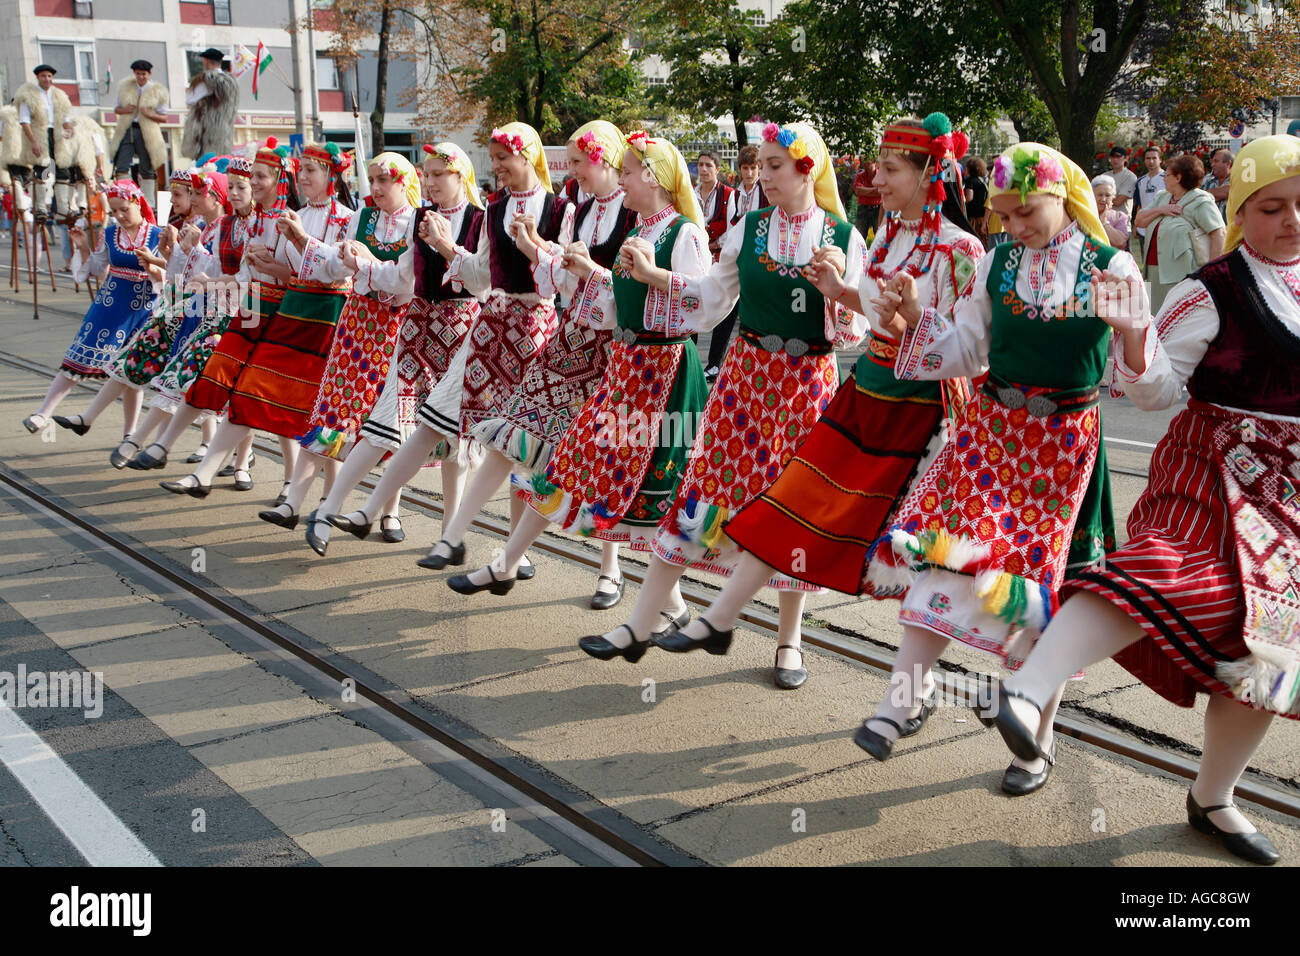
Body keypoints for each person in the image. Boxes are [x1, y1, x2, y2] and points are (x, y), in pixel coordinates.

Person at [988, 134, 1300, 864]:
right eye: (1272, 207)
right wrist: (1132, 331)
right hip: (1215, 466)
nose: (1291, 221)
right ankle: (1028, 692)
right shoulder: (1214, 287)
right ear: (1239, 210)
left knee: (1267, 646)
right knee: (1167, 570)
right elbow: (1155, 391)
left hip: (1291, 492)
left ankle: (1213, 798)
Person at [860, 143, 1142, 796]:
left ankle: (1033, 745)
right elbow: (964, 349)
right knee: (946, 558)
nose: (1015, 227)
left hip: (1064, 449)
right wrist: (908, 322)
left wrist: (1129, 334)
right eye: (1005, 216)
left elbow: (1144, 385)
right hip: (990, 437)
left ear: (1063, 199)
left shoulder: (1111, 264)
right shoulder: (996, 264)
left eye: (1026, 213)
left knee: (1043, 595)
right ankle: (899, 702)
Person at [667, 114, 983, 690]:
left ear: (927, 171)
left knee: (931, 555)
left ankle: (937, 692)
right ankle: (720, 618)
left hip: (929, 410)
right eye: (878, 168)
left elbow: (971, 350)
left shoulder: (961, 249)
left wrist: (908, 317)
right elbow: (869, 314)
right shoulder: (889, 234)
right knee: (798, 501)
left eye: (888, 170)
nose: (875, 180)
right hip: (869, 395)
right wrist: (839, 292)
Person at [576, 122, 867, 664]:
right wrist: (656, 276)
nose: (765, 174)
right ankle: (639, 627)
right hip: (744, 382)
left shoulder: (843, 239)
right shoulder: (748, 228)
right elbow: (711, 300)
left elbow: (852, 333)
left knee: (792, 507)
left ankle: (789, 641)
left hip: (807, 388)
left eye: (776, 165)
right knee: (702, 490)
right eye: (766, 165)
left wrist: (840, 292)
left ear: (807, 170)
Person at [334, 122, 570, 573]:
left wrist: (536, 247)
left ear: (527, 156)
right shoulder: (495, 208)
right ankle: (373, 510)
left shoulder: (561, 208)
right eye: (494, 158)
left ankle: (509, 555)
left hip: (535, 331)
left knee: (517, 444)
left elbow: (560, 282)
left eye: (503, 157)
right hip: (491, 326)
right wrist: (444, 244)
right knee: (430, 419)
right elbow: (481, 276)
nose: (497, 166)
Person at [446, 120, 636, 607]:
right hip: (570, 342)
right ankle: (464, 540)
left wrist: (558, 259)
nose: (569, 172)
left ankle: (611, 572)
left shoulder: (634, 215)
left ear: (605, 160)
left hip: (617, 353)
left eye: (576, 162)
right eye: (569, 162)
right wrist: (537, 250)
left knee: (604, 458)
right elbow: (558, 284)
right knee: (514, 433)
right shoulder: (583, 210)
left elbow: (631, 291)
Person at [158, 140, 357, 502]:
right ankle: (204, 473)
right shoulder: (294, 214)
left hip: (327, 317)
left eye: (312, 170)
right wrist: (267, 264)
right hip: (289, 309)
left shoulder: (345, 218)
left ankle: (327, 503)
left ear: (331, 174)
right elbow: (288, 271)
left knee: (319, 412)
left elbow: (337, 273)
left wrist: (296, 243)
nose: (305, 175)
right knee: (251, 390)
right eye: (304, 169)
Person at [314, 143, 485, 558]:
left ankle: (449, 536)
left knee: (457, 440)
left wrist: (448, 247)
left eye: (437, 175)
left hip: (462, 329)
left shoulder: (481, 220)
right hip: (419, 327)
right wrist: (364, 265)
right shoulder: (421, 219)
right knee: (386, 416)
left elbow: (482, 282)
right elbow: (401, 276)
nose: (428, 183)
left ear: (460, 175)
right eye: (425, 175)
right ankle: (328, 510)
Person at [128, 140, 299, 492]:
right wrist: (196, 266)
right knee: (216, 375)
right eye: (241, 181)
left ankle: (288, 486)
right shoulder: (244, 224)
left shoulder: (286, 219)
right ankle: (168, 449)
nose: (245, 187)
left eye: (254, 179)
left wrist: (242, 274)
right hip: (247, 308)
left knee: (275, 404)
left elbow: (300, 273)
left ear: (277, 180)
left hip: (280, 315)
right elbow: (235, 275)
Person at [287, 152, 422, 553]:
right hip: (357, 326)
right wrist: (303, 241)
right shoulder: (361, 218)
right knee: (334, 411)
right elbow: (332, 266)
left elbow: (403, 282)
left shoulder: (418, 223)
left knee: (394, 420)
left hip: (400, 330)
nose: (377, 188)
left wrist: (362, 262)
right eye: (374, 180)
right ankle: (296, 501)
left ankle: (389, 511)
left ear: (404, 183)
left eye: (385, 180)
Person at [52, 167, 231, 469]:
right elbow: (180, 273)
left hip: (210, 310)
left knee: (190, 381)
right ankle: (100, 422)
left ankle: (199, 451)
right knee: (139, 358)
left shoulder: (225, 227)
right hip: (182, 303)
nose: (176, 199)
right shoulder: (198, 224)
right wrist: (171, 254)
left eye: (188, 193)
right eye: (184, 193)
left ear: (215, 197)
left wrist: (171, 257)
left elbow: (218, 273)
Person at [21, 181, 163, 434]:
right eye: (114, 211)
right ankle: (43, 413)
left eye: (123, 210)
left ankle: (129, 434)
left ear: (137, 203)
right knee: (78, 357)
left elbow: (170, 274)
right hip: (109, 304)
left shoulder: (158, 235)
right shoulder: (109, 234)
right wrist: (84, 247)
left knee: (130, 374)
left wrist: (152, 268)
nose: (119, 216)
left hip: (143, 310)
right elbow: (97, 270)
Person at [703, 145, 769, 381]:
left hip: (760, 259)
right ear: (739, 170)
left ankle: (750, 366)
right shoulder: (738, 194)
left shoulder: (765, 191)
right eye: (745, 168)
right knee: (726, 309)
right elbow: (733, 226)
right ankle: (714, 363)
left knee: (754, 315)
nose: (750, 173)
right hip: (740, 258)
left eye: (754, 168)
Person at [1134, 153, 1226, 313]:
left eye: (1167, 174)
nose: (1164, 177)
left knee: (1175, 320)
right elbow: (1139, 221)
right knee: (1152, 320)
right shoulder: (1162, 197)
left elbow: (1219, 233)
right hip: (1153, 272)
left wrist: (1210, 272)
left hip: (1181, 275)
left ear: (1178, 177)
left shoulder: (1200, 201)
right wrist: (1161, 210)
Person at [14, 65, 72, 220]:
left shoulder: (59, 96)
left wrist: (69, 130)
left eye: (49, 76)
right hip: (40, 134)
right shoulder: (29, 96)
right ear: (38, 78)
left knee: (62, 170)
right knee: (41, 169)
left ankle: (63, 209)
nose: (47, 79)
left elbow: (66, 118)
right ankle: (40, 208)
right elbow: (24, 121)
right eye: (43, 76)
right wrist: (33, 141)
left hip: (57, 134)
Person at [181, 48, 239, 161]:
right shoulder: (232, 83)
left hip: (207, 132)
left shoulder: (208, 79)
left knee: (206, 167)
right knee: (221, 164)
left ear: (206, 61)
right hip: (225, 132)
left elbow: (190, 100)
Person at [1132, 146, 1166, 264]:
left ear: (1160, 159)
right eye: (1148, 158)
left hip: (1161, 227)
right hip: (1144, 228)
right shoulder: (1141, 181)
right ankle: (1147, 283)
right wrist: (1136, 225)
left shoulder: (1167, 178)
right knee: (1146, 261)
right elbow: (1139, 204)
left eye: (1154, 158)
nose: (1151, 161)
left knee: (1160, 262)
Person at [1091, 173, 1130, 250]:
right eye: (1100, 195)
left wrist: (1104, 222)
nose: (1103, 199)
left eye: (1107, 195)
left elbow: (1121, 243)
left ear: (1113, 197)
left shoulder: (1119, 217)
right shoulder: (1084, 214)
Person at [853, 155, 882, 240]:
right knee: (859, 236)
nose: (866, 166)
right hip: (863, 208)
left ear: (875, 163)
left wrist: (864, 191)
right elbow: (857, 191)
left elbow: (881, 191)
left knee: (879, 235)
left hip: (878, 209)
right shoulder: (860, 176)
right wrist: (874, 191)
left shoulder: (880, 175)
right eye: (864, 163)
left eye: (868, 163)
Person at [964, 155, 989, 247]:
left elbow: (969, 197)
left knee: (973, 241)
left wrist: (962, 200)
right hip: (983, 217)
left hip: (973, 218)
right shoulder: (982, 181)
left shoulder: (970, 181)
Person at [1107, 146, 1137, 221]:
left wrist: (1100, 198)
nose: (1115, 159)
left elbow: (1118, 201)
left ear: (1126, 158)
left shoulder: (1130, 177)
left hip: (1122, 222)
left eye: (1118, 156)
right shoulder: (1104, 176)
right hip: (1104, 221)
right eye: (1112, 157)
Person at [1202, 147, 1232, 220]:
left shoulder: (1237, 180)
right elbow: (1197, 198)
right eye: (1212, 161)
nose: (1212, 165)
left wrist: (1206, 194)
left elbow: (1232, 191)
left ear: (1228, 163)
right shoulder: (1207, 180)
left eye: (1216, 161)